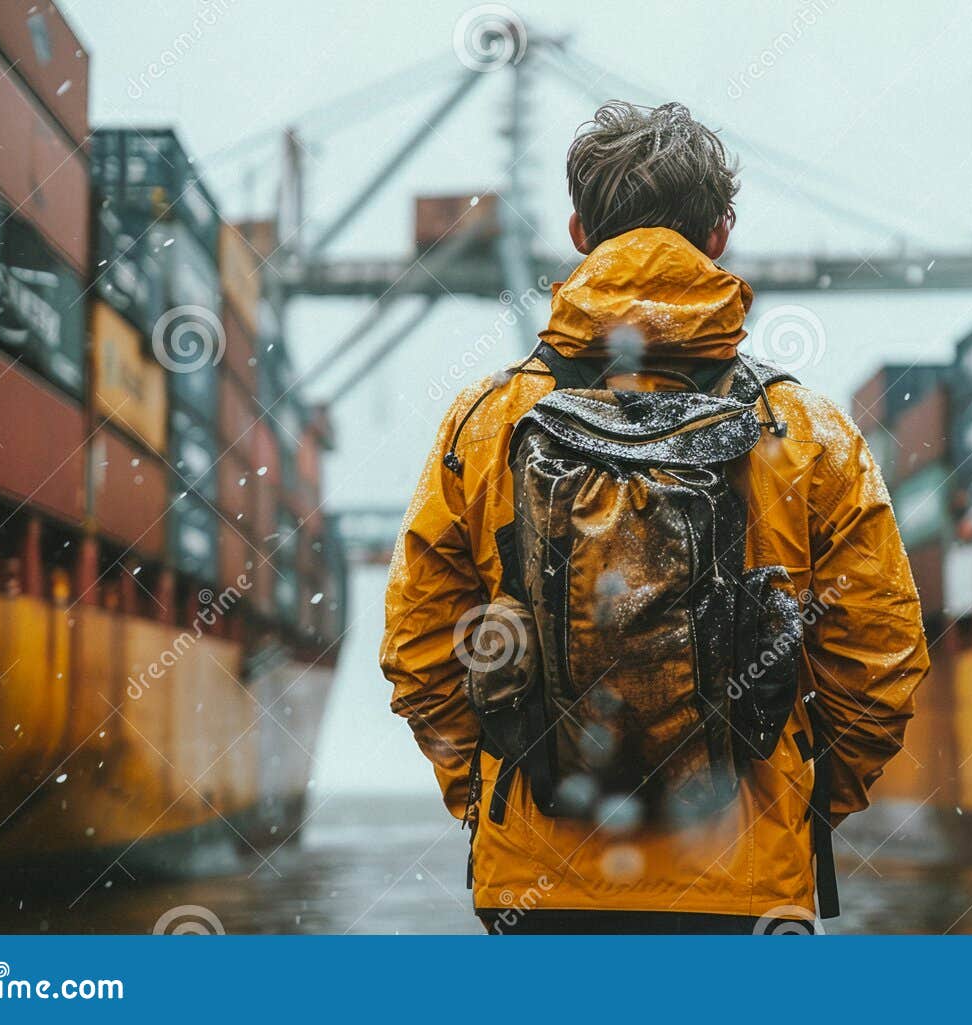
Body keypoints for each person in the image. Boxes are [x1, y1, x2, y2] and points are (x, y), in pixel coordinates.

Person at [381, 100, 929, 935]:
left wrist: (496, 791)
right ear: (720, 233)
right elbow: (879, 664)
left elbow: (419, 652)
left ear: (576, 231)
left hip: (540, 889)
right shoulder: (806, 429)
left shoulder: (484, 421)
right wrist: (794, 802)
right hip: (746, 893)